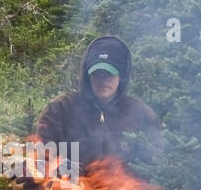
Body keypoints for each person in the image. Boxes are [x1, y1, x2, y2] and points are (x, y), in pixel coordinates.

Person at [33, 36, 163, 182]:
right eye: (97, 74)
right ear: (88, 76)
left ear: (122, 76)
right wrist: (61, 167)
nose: (103, 80)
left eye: (109, 74)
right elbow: (42, 157)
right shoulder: (60, 109)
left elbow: (156, 165)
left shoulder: (141, 114)